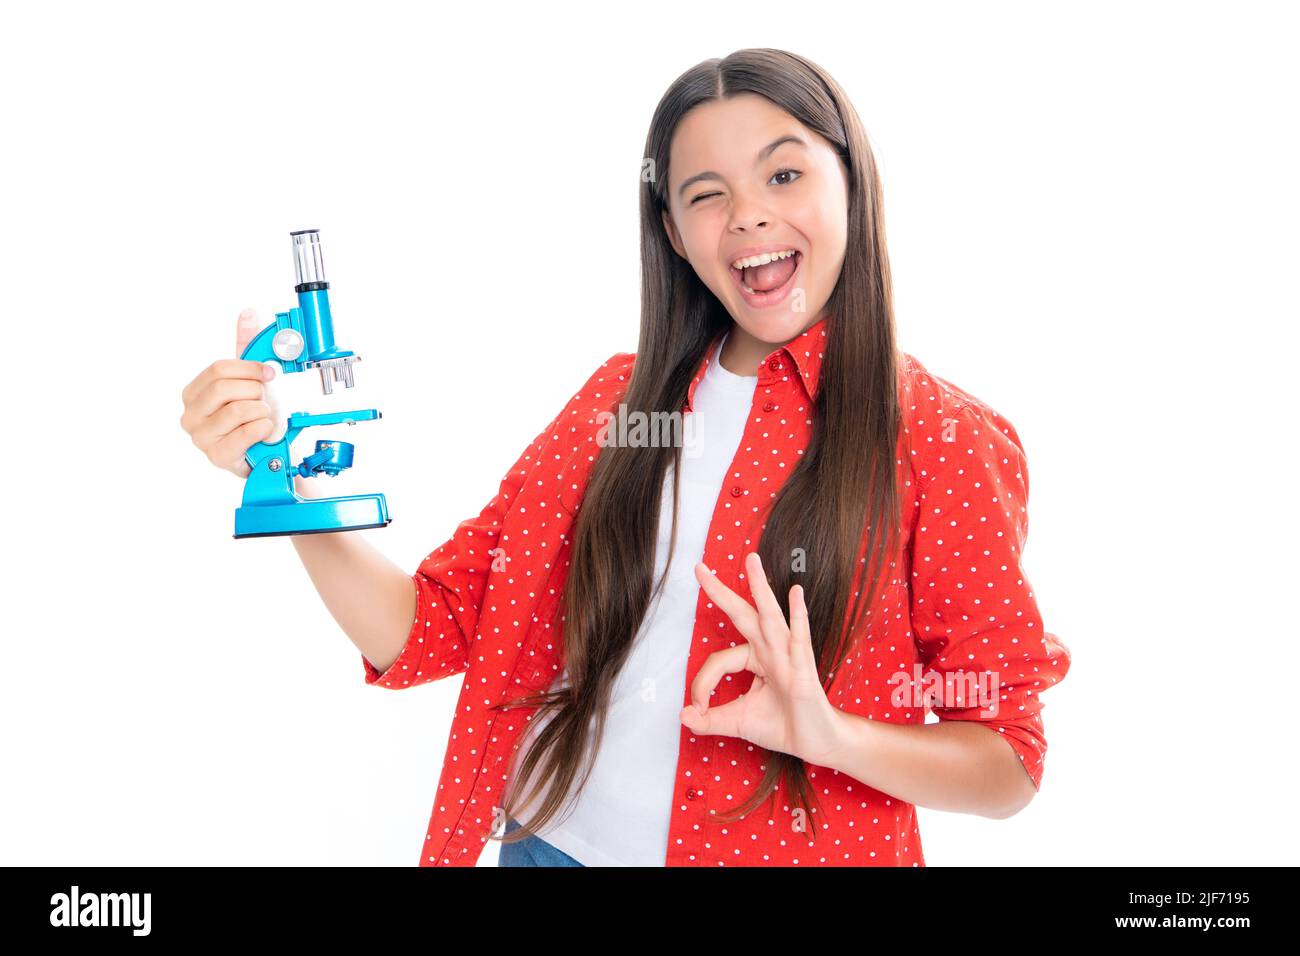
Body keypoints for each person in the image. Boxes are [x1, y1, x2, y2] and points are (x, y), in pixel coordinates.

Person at [178, 47, 1071, 867]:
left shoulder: (941, 439)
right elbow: (428, 630)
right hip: (547, 847)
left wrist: (831, 733)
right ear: (676, 232)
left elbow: (1009, 761)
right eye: (705, 191)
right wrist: (284, 478)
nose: (749, 211)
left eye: (785, 172)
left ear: (851, 183)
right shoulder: (618, 407)